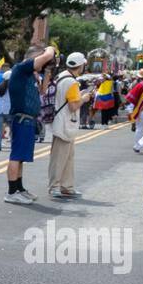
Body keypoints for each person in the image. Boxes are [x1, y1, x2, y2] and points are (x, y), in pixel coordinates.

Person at [3, 46, 57, 205]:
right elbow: (48, 54)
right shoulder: (21, 68)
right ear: (34, 57)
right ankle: (11, 192)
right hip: (21, 119)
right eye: (41, 59)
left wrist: (47, 72)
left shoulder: (31, 75)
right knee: (16, 156)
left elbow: (42, 91)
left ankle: (19, 188)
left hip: (28, 119)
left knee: (21, 158)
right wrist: (50, 49)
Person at [48, 52, 92, 200]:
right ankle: (57, 186)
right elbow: (73, 106)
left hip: (60, 121)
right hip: (66, 122)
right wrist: (84, 98)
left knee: (65, 156)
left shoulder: (61, 76)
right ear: (80, 65)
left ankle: (66, 186)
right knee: (62, 157)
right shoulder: (72, 82)